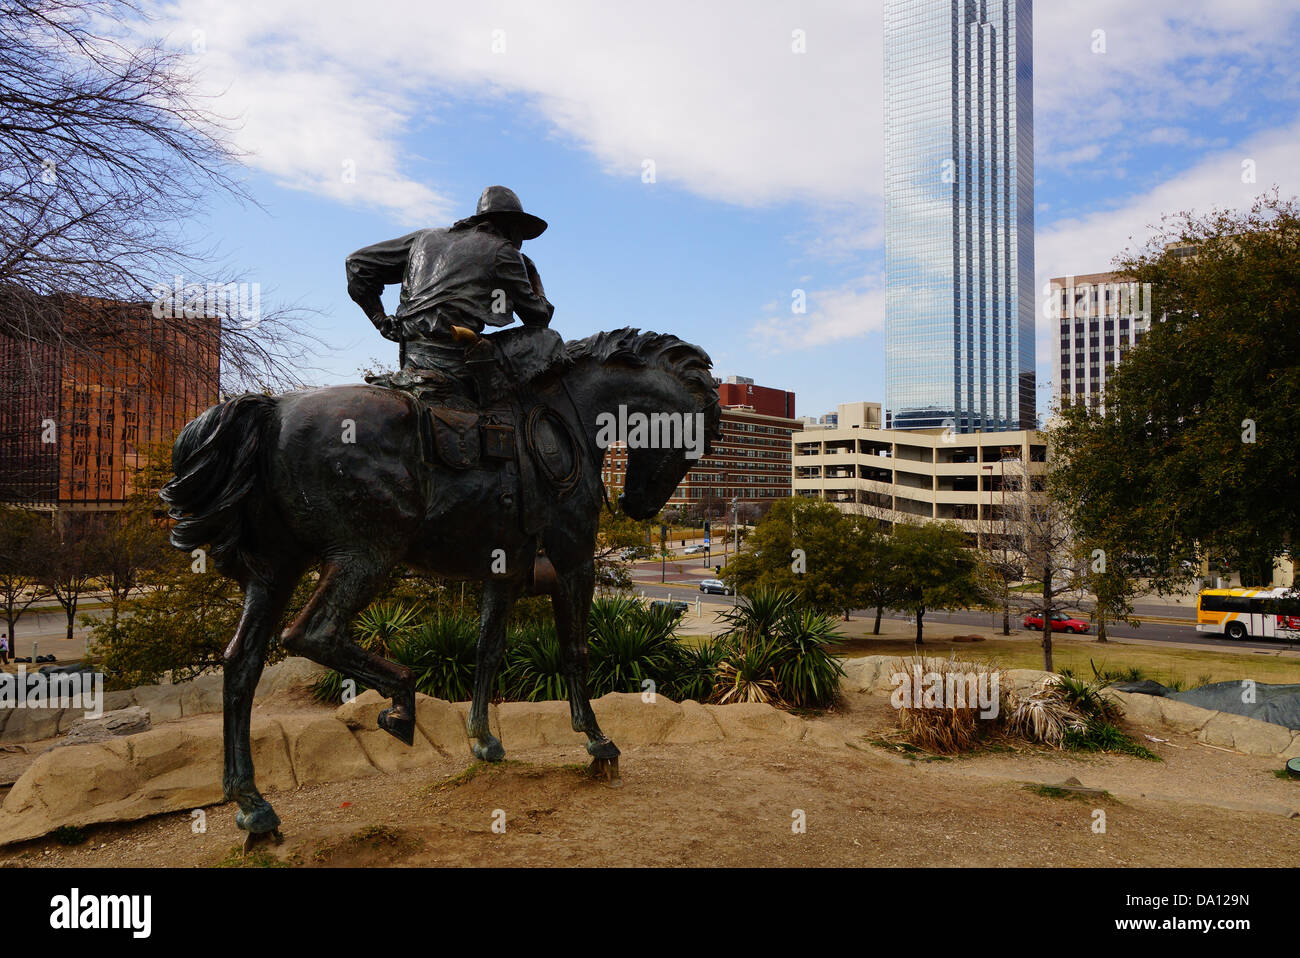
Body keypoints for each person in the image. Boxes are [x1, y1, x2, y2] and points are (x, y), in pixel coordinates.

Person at [345, 185, 554, 391]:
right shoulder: (505, 252)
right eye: (521, 233)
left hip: (410, 353)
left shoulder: (425, 237)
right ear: (512, 227)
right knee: (549, 339)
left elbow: (356, 263)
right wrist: (534, 276)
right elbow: (539, 317)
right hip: (455, 360)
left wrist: (380, 320)